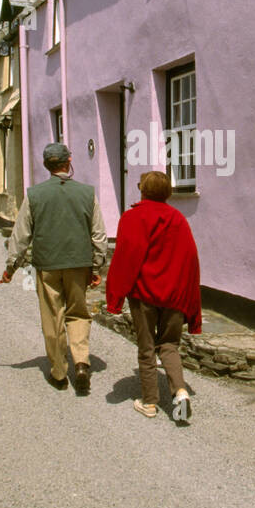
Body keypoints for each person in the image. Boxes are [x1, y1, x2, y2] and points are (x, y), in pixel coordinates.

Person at [2, 143, 107, 395]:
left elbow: (21, 235)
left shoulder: (34, 195)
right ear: (68, 161)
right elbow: (99, 234)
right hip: (79, 264)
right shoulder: (86, 193)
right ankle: (81, 362)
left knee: (52, 316)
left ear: (46, 165)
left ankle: (59, 372)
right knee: (78, 312)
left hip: (47, 264)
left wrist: (11, 267)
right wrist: (97, 266)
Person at [105, 171, 201, 421]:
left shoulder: (134, 216)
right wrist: (190, 301)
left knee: (146, 348)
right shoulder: (178, 219)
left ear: (143, 190)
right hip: (174, 295)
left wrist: (114, 297)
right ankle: (180, 392)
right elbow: (190, 260)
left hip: (144, 294)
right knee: (169, 345)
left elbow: (126, 258)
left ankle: (149, 402)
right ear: (168, 192)